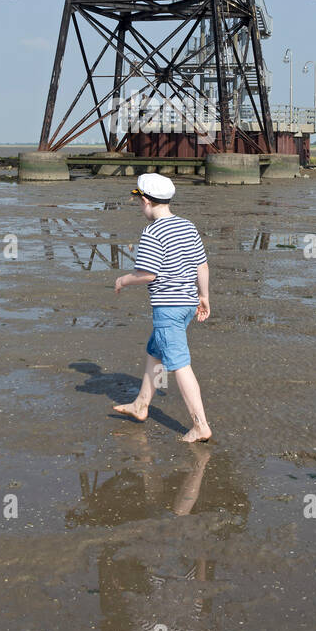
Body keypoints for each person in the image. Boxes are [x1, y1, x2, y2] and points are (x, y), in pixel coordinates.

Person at [113, 173, 211, 443]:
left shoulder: (153, 232)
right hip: (188, 303)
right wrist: (204, 297)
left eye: (138, 202)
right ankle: (141, 404)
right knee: (156, 352)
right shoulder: (187, 226)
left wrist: (123, 279)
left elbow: (148, 274)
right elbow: (201, 266)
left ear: (145, 201)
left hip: (168, 307)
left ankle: (200, 425)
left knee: (180, 364)